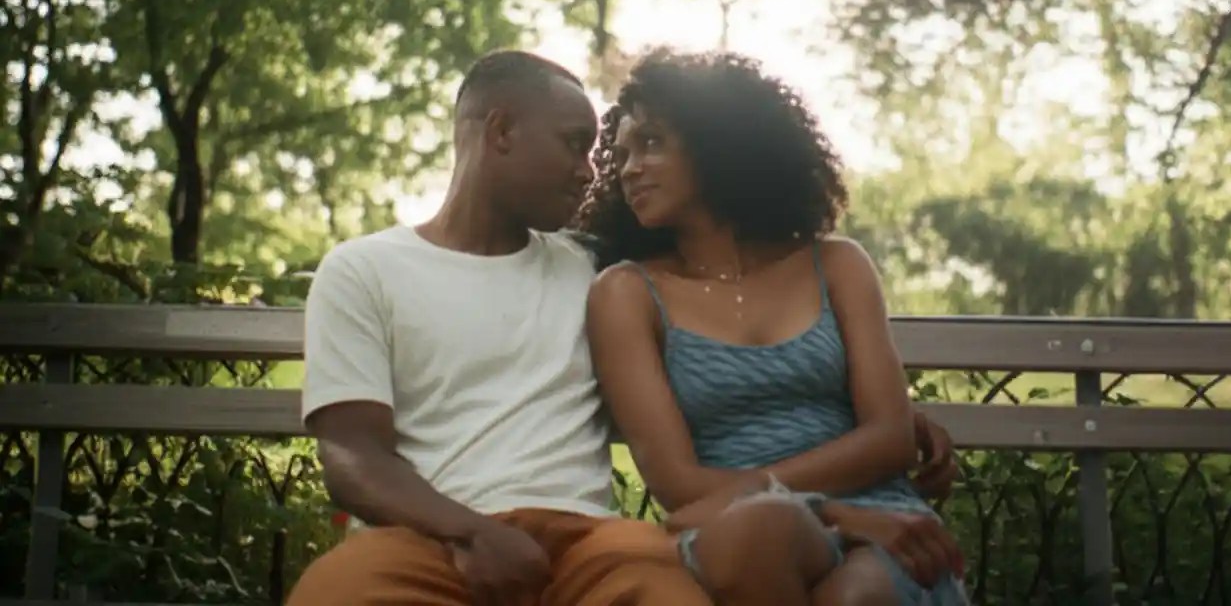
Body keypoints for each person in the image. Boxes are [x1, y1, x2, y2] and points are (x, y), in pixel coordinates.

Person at [288, 49, 959, 606]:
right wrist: (471, 533)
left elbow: (730, 302)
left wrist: (892, 424)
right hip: (422, 539)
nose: (595, 172)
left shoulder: (596, 268)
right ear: (499, 133)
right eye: (579, 146)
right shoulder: (363, 269)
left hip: (593, 545)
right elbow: (352, 455)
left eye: (607, 150)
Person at [577, 49, 971, 605]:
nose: (629, 168)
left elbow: (889, 438)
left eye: (652, 142)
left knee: (851, 599)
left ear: (720, 142)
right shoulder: (626, 293)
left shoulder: (836, 265)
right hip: (735, 532)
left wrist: (842, 508)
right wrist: (828, 510)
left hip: (887, 523)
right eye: (621, 154)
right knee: (759, 528)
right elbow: (678, 484)